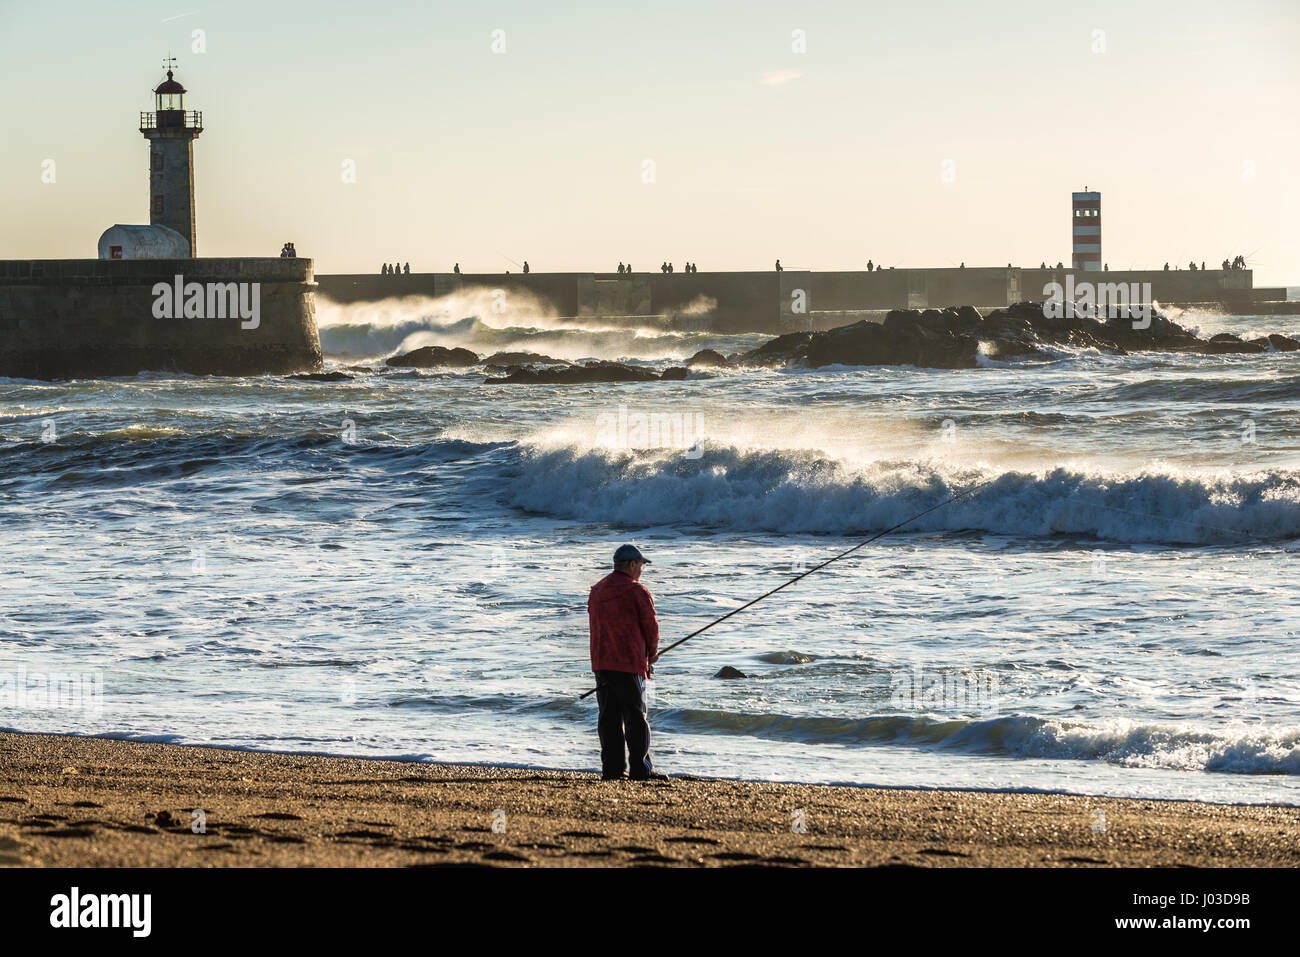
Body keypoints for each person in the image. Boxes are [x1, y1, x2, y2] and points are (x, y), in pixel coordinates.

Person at [588, 544, 667, 782]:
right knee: (635, 717)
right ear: (632, 565)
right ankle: (640, 770)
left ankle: (612, 770)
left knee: (608, 717)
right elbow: (651, 627)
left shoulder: (597, 590)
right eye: (641, 565)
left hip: (601, 662)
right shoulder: (637, 591)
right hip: (629, 663)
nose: (641, 570)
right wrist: (652, 654)